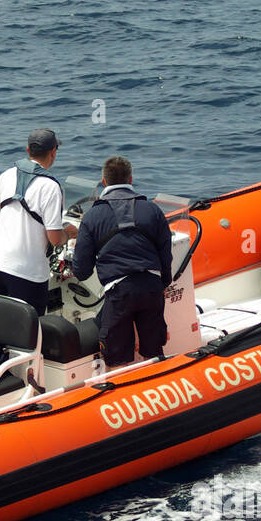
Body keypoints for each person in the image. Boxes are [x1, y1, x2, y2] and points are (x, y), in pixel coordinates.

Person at [71, 156, 173, 367]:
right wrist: (163, 283)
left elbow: (81, 270)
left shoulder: (92, 216)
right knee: (153, 351)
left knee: (117, 358)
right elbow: (166, 254)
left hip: (119, 294)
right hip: (152, 289)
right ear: (131, 178)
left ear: (104, 181)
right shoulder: (153, 210)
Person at [0, 128, 77, 317]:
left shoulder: (7, 174)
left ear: (27, 150)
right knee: (29, 331)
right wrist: (69, 233)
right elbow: (55, 239)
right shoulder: (50, 186)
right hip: (27, 270)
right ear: (53, 152)